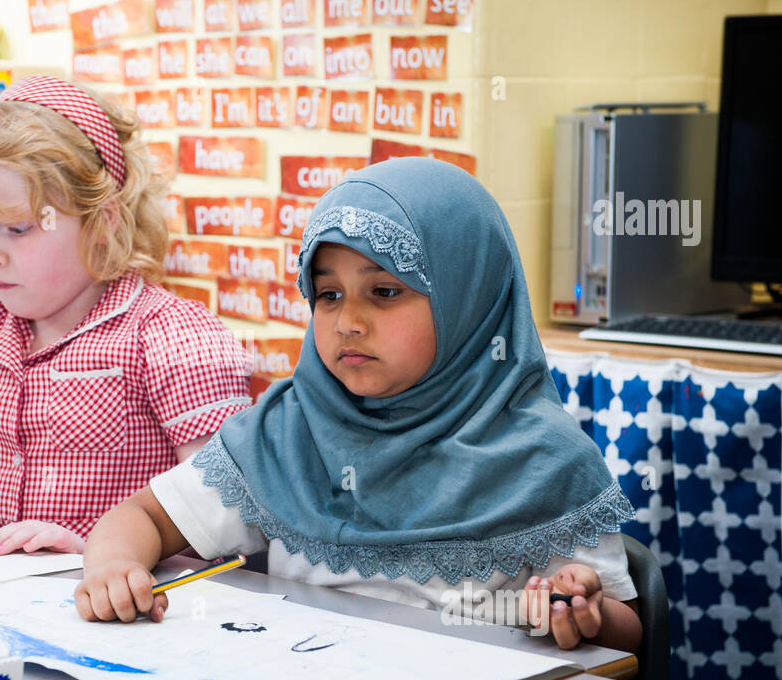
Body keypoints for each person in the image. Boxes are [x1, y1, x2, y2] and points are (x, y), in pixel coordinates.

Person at [75, 156, 642, 653]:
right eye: (328, 294)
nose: (348, 321)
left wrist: (584, 616)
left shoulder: (545, 457)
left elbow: (629, 631)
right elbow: (143, 516)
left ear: (469, 301)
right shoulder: (288, 432)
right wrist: (113, 566)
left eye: (385, 292)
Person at [0, 76, 251, 553]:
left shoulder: (175, 338)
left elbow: (231, 519)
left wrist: (100, 553)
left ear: (103, 221)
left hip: (123, 612)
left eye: (17, 229)